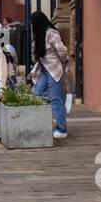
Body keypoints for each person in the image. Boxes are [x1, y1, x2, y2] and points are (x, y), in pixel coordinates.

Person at [29, 11, 71, 139]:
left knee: (55, 98)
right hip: (44, 69)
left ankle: (61, 129)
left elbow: (63, 51)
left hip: (55, 69)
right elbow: (38, 57)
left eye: (33, 23)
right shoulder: (39, 36)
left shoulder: (51, 34)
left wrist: (64, 63)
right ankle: (64, 98)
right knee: (37, 93)